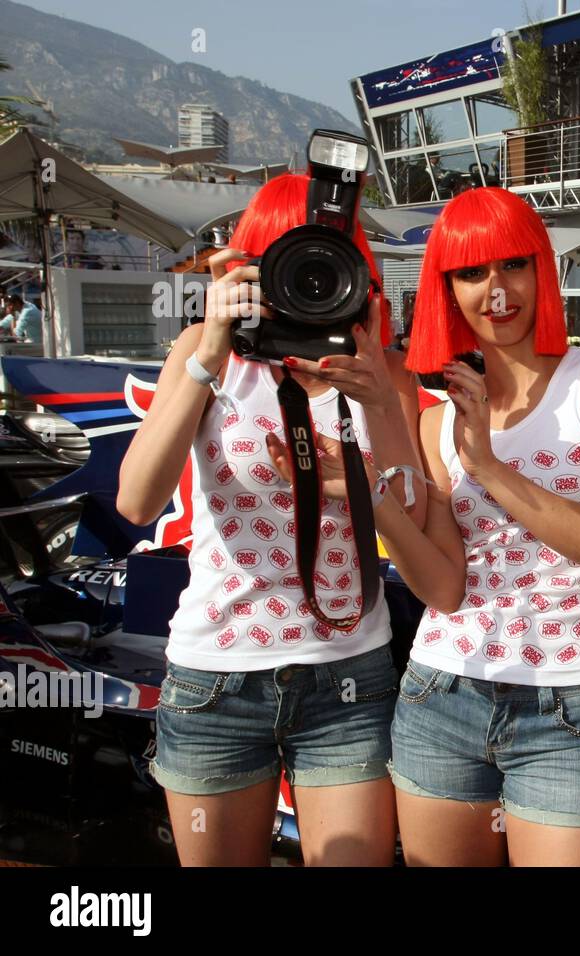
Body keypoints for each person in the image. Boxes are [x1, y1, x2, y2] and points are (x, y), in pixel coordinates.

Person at [117, 173, 427, 866]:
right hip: (218, 674)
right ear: (249, 266)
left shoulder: (381, 369)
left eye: (321, 262)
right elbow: (137, 501)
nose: (305, 281)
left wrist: (378, 397)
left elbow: (413, 518)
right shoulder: (207, 354)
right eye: (284, 261)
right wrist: (208, 352)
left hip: (347, 673)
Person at [389, 186, 580, 867]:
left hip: (568, 703)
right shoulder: (435, 420)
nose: (496, 291)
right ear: (447, 290)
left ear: (542, 270)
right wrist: (376, 501)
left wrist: (489, 467)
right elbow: (442, 589)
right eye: (471, 273)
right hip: (442, 690)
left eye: (513, 265)